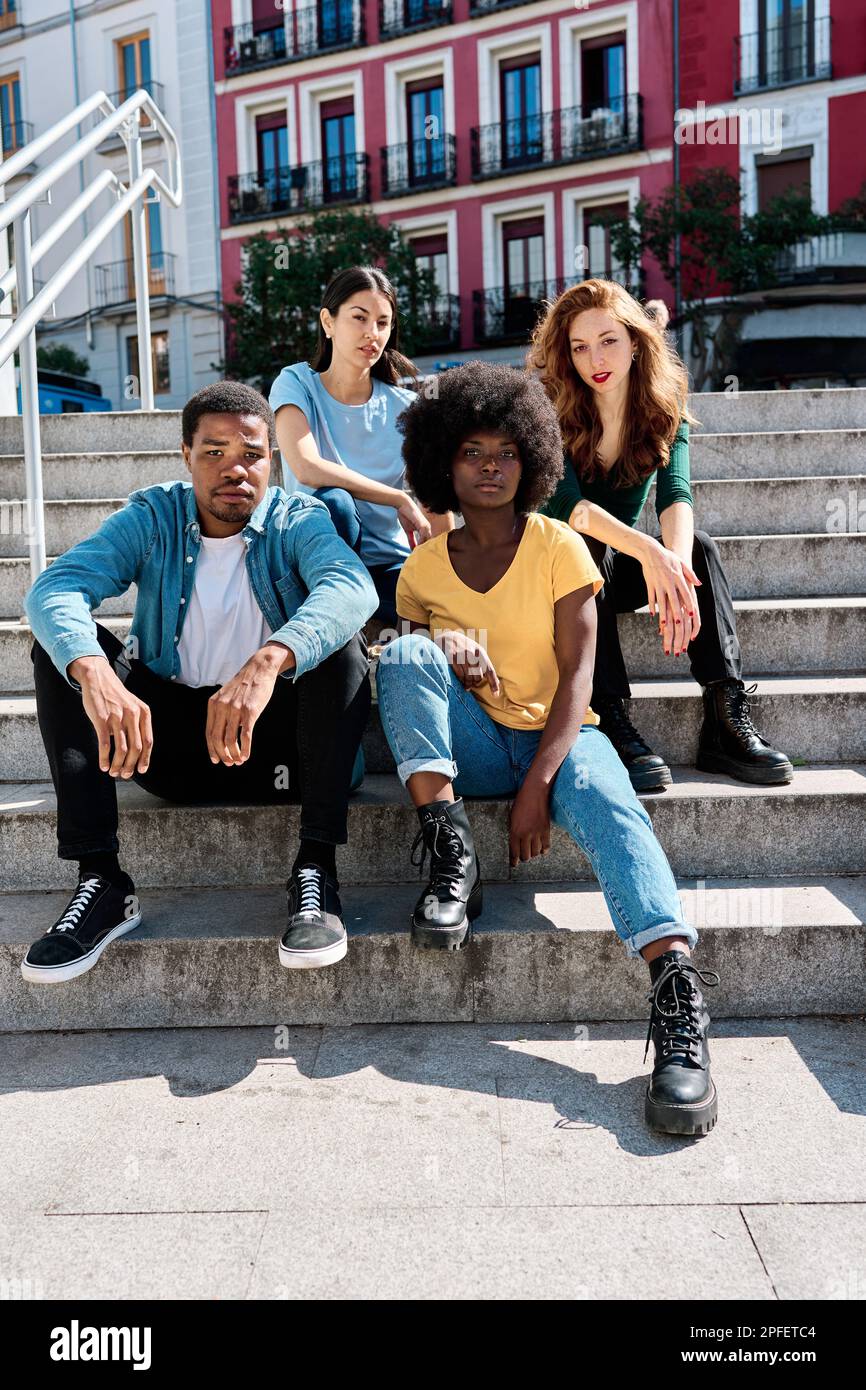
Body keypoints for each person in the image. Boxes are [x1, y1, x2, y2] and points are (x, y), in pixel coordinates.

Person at [376, 361, 720, 1137]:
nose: (490, 466)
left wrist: (538, 786)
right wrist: (438, 639)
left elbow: (578, 682)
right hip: (475, 743)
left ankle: (676, 996)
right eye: (471, 452)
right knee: (401, 656)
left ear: (532, 456)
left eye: (505, 450)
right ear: (442, 463)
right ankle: (450, 851)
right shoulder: (425, 566)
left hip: (560, 735)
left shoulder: (561, 544)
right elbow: (397, 660)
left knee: (607, 801)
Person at [21, 381, 377, 984]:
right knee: (63, 652)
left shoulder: (297, 518)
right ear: (185, 456)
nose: (234, 469)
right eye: (214, 452)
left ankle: (316, 872)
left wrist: (268, 661)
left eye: (252, 454)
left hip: (282, 749)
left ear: (274, 460)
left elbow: (352, 589)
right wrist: (94, 673)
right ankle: (102, 882)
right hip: (168, 752)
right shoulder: (154, 516)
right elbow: (54, 590)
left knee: (339, 645)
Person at [528, 277, 792, 793]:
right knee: (581, 546)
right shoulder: (548, 407)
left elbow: (677, 497)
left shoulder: (662, 403)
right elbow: (569, 509)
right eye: (579, 347)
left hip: (614, 569)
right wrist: (651, 552)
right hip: (556, 579)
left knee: (699, 546)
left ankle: (723, 712)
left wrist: (675, 564)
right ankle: (606, 713)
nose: (594, 358)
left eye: (608, 341)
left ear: (634, 341)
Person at [270, 264, 452, 627]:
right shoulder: (295, 383)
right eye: (359, 317)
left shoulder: (406, 407)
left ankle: (360, 618)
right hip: (315, 563)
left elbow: (434, 499)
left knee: (432, 625)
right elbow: (307, 467)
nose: (372, 333)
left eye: (383, 323)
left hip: (388, 567)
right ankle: (341, 613)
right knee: (334, 501)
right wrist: (399, 498)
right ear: (328, 322)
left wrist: (447, 578)